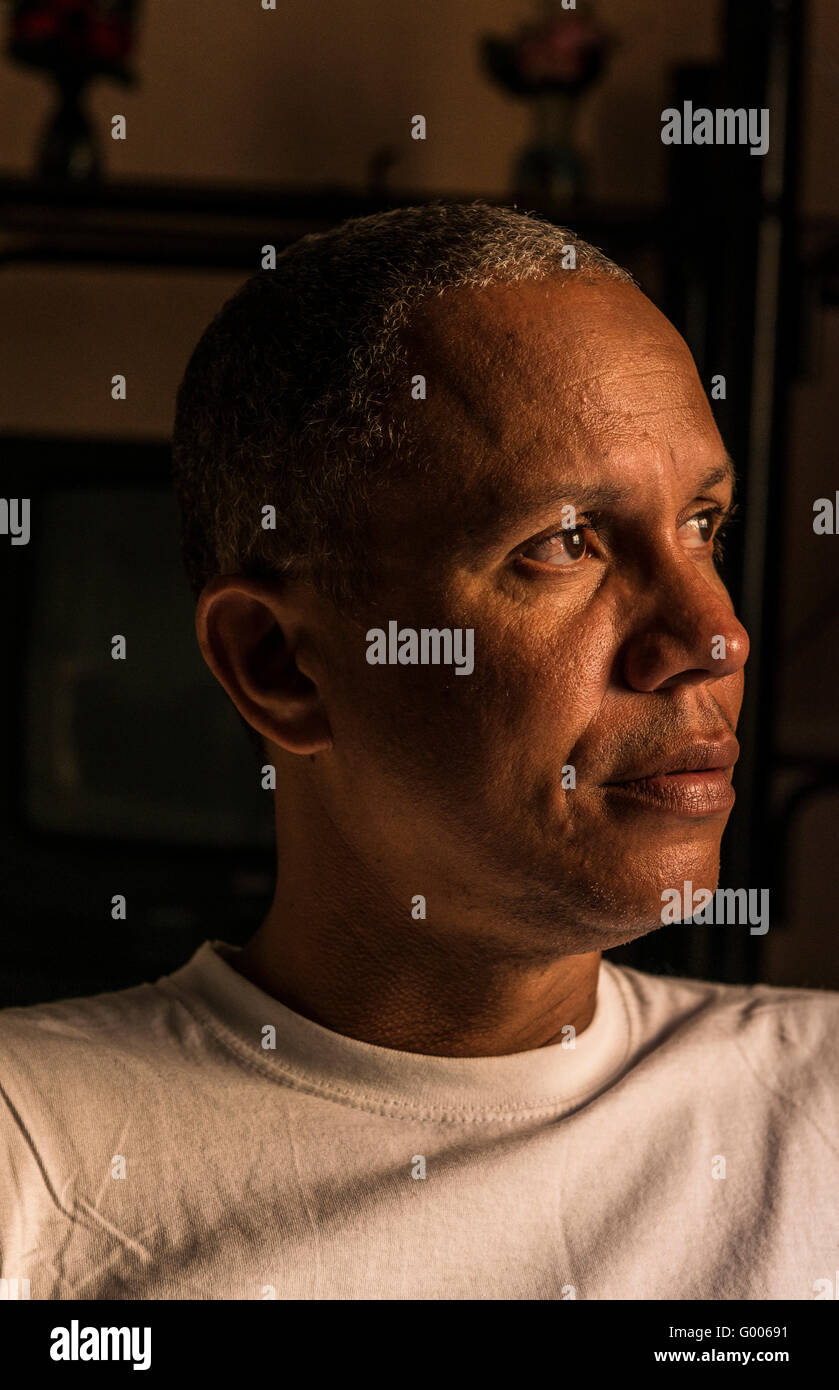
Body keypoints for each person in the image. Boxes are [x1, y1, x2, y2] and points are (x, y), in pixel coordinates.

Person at [1, 203, 836, 1301]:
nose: (711, 638)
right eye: (561, 544)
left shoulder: (814, 1108)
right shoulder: (34, 1152)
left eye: (702, 525)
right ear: (278, 666)